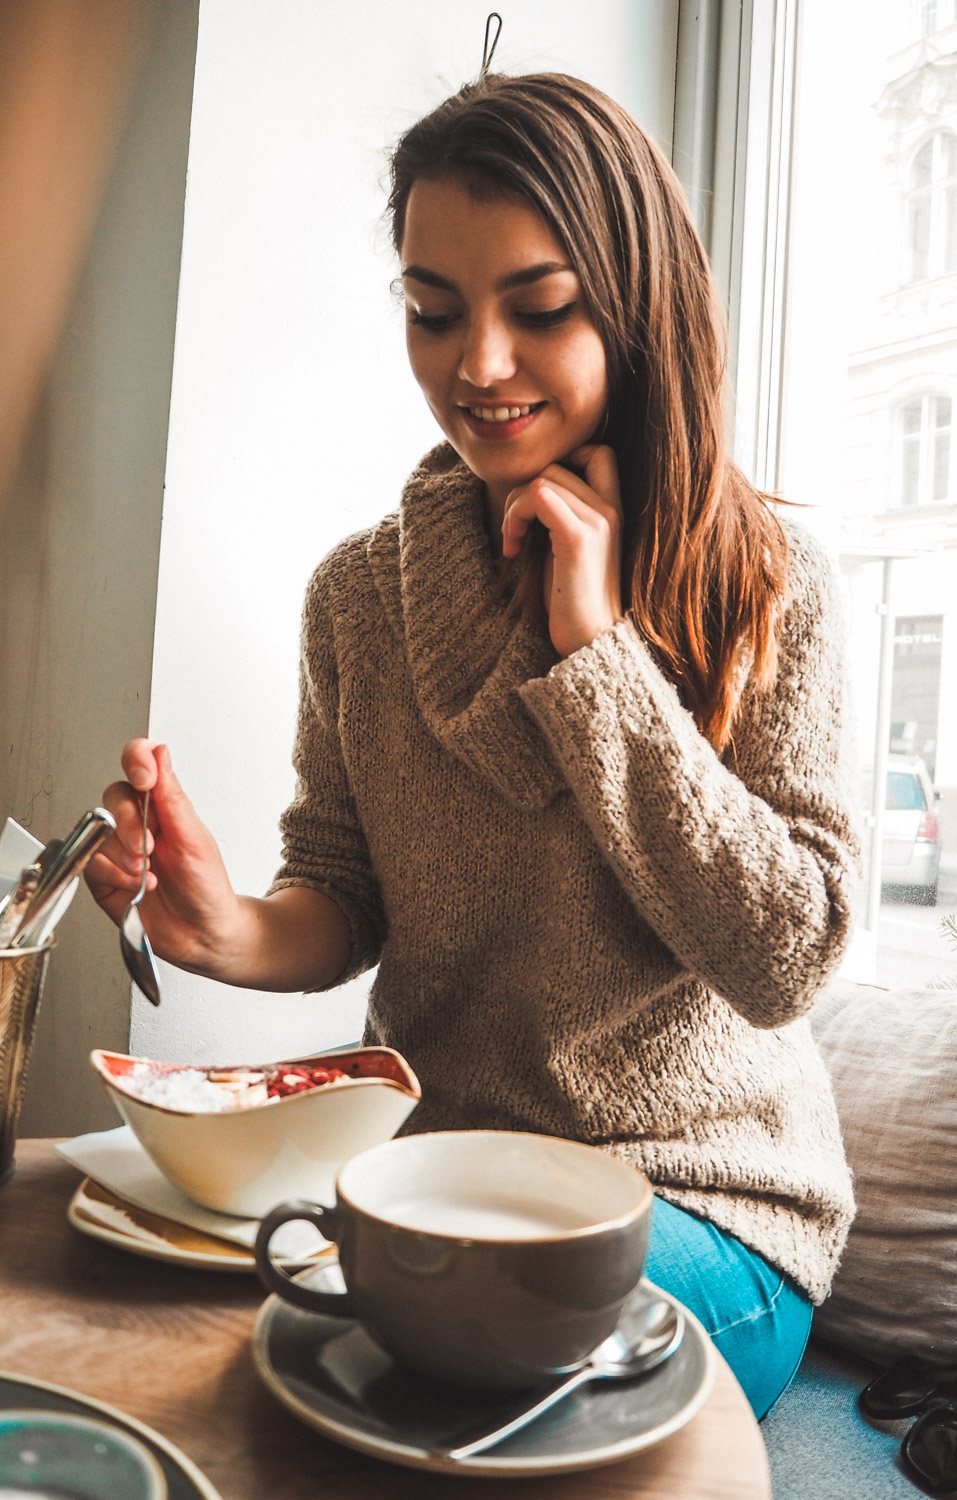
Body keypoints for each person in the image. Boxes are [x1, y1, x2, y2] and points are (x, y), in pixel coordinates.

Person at [86, 70, 861, 1419]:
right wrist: (221, 928)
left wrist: (598, 653)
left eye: (540, 309)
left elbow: (787, 954)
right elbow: (342, 904)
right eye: (433, 312)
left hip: (705, 1208)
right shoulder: (359, 597)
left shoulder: (767, 577)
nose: (477, 365)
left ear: (636, 304)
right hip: (434, 1180)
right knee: (161, 1313)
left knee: (415, 1363)